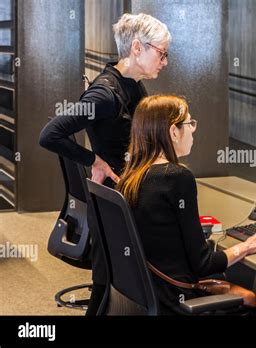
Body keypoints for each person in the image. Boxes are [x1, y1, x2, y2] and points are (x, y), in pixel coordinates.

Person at [38, 13, 171, 315]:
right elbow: (49, 134)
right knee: (110, 285)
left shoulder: (133, 82)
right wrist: (92, 159)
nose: (164, 61)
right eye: (162, 53)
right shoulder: (104, 94)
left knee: (109, 288)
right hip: (117, 203)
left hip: (124, 195)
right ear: (138, 49)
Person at [116, 95, 256, 315]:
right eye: (189, 123)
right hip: (176, 301)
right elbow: (203, 264)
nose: (193, 129)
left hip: (149, 298)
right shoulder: (177, 177)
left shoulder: (130, 178)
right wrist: (248, 245)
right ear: (173, 132)